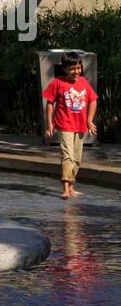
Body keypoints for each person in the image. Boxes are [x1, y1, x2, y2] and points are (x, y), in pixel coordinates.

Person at [43, 53, 98, 200]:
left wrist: (89, 120)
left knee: (77, 158)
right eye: (73, 68)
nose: (76, 71)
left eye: (79, 68)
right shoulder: (58, 82)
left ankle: (72, 186)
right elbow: (49, 102)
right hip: (65, 124)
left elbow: (93, 100)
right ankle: (66, 188)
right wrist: (49, 123)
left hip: (80, 126)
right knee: (67, 155)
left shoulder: (84, 82)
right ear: (65, 69)